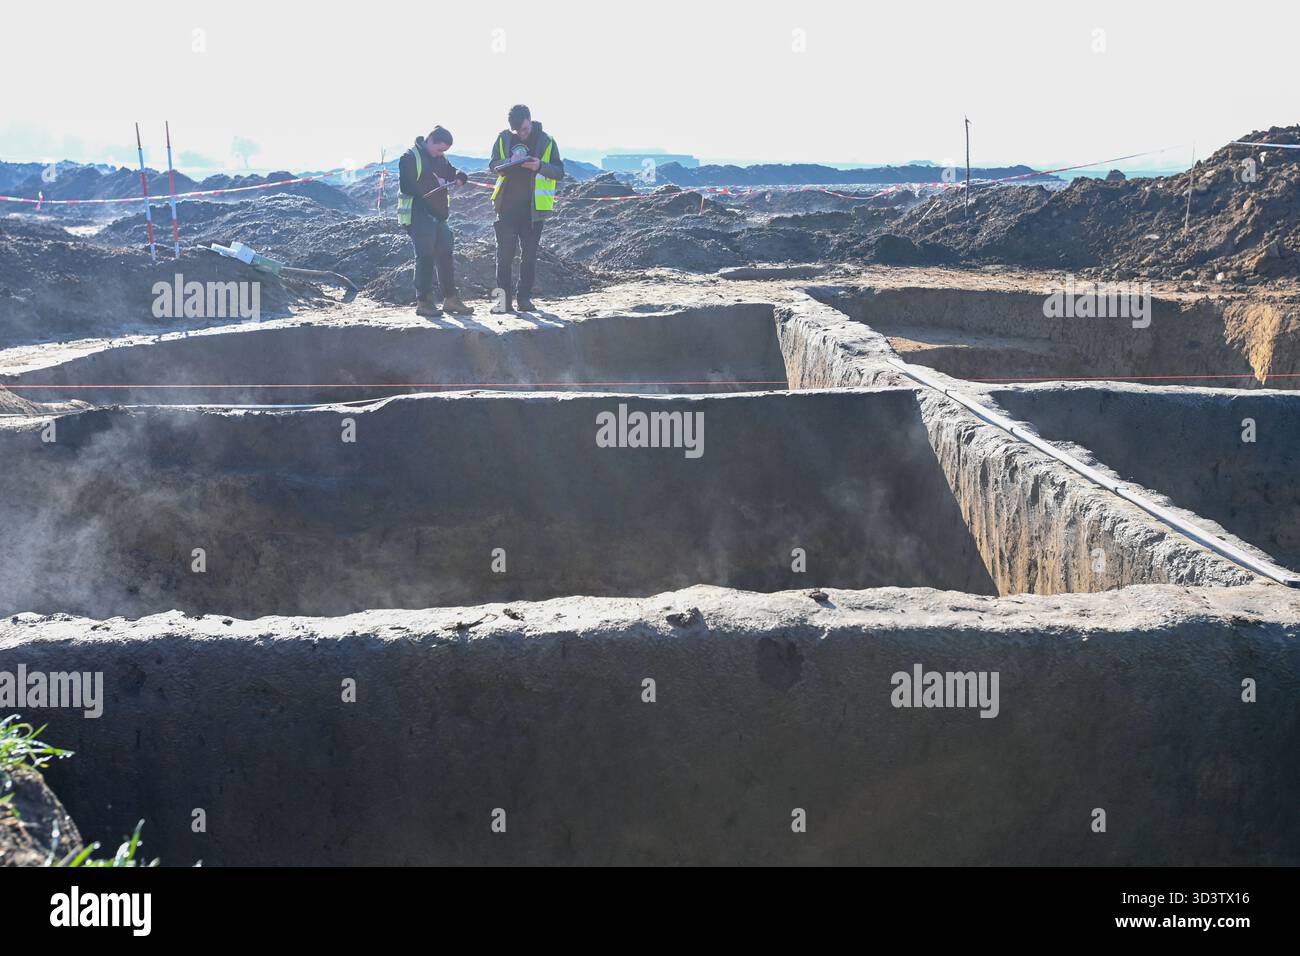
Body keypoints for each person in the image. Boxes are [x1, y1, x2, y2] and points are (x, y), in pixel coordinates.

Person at [488, 104, 565, 313]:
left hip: (533, 210)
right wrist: (507, 163)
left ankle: (525, 299)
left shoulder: (547, 141)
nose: (521, 134)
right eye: (517, 131)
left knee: (529, 256)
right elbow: (493, 164)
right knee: (504, 256)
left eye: (524, 129)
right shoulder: (504, 138)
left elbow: (559, 171)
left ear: (530, 120)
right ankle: (503, 303)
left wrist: (539, 166)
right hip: (506, 207)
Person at [398, 126, 471, 317]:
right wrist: (433, 186)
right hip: (418, 213)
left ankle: (450, 299)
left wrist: (459, 177)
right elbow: (406, 185)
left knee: (445, 254)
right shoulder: (410, 157)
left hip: (438, 215)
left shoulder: (440, 158)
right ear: (429, 140)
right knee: (425, 256)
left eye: (444, 151)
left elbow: (450, 171)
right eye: (439, 149)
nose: (441, 154)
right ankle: (424, 302)